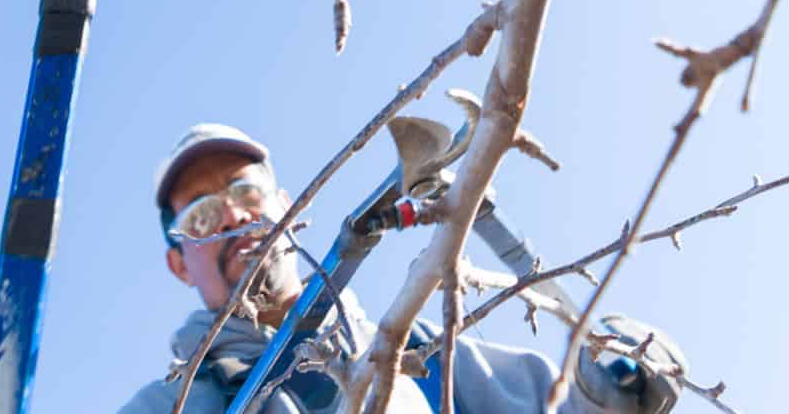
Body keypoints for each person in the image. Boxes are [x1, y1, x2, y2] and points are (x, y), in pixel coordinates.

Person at [118, 124, 685, 414]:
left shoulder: (417, 349)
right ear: (179, 265)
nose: (235, 215)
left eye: (248, 191)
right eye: (201, 215)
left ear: (294, 208)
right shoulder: (174, 404)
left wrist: (617, 374)